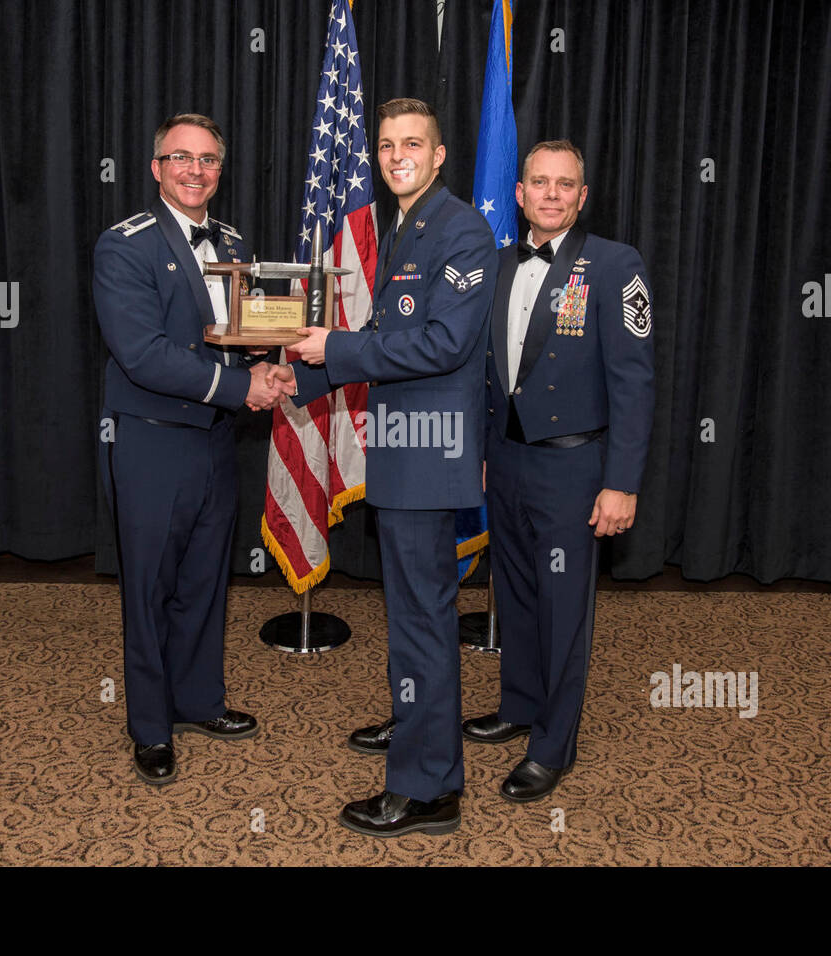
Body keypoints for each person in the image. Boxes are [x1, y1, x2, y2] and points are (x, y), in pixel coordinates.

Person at [279, 97, 497, 837]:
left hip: (428, 456)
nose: (397, 154)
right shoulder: (405, 226)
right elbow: (383, 331)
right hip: (405, 450)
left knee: (423, 624)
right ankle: (418, 728)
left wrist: (330, 350)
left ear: (440, 155)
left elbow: (441, 345)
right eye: (386, 144)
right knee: (412, 619)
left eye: (414, 143)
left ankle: (428, 787)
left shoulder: (461, 230)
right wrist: (296, 377)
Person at [92, 113, 292, 785]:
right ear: (156, 169)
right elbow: (143, 355)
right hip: (152, 439)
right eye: (180, 158)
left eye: (207, 160)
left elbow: (243, 329)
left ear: (219, 170)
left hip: (213, 441)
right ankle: (150, 725)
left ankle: (199, 700)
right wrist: (243, 389)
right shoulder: (124, 246)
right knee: (149, 588)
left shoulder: (232, 241)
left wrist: (277, 352)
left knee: (206, 581)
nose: (195, 170)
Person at [466, 140, 655, 801]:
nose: (550, 194)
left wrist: (622, 482)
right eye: (538, 182)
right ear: (518, 195)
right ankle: (519, 705)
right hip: (510, 462)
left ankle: (553, 745)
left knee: (563, 608)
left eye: (564, 184)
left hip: (576, 468)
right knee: (514, 594)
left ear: (582, 196)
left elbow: (633, 384)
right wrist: (486, 455)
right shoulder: (493, 265)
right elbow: (487, 377)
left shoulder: (613, 266)